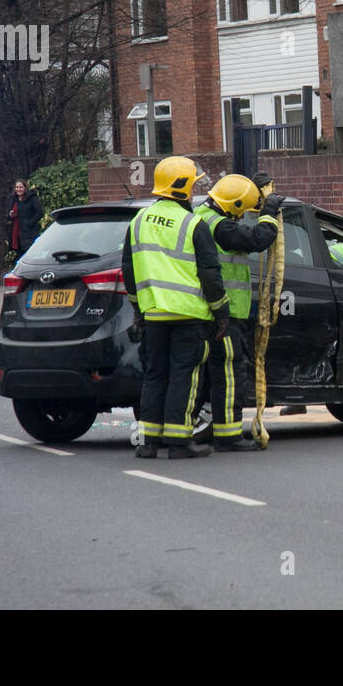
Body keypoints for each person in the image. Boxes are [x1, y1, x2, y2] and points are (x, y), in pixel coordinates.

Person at [121, 156, 228, 459]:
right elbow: (211, 274)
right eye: (192, 184)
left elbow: (128, 270)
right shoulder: (193, 224)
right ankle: (180, 443)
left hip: (154, 315)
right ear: (181, 187)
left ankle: (148, 443)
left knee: (154, 375)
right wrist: (221, 313)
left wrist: (139, 310)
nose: (195, 190)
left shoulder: (138, 221)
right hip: (188, 315)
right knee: (184, 376)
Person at [193, 173, 283, 452]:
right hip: (225, 312)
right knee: (230, 374)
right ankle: (229, 436)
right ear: (232, 207)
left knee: (203, 375)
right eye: (241, 211)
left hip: (201, 311)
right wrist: (268, 212)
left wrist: (253, 192)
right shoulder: (221, 227)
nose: (241, 216)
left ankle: (183, 430)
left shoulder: (200, 214)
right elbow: (258, 238)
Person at [6, 179, 43, 256]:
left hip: (29, 233)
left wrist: (29, 223)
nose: (18, 189)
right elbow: (8, 213)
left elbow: (39, 213)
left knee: (29, 254)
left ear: (25, 188)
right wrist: (10, 214)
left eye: (20, 187)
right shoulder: (13, 198)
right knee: (19, 254)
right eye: (17, 187)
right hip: (16, 232)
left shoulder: (32, 198)